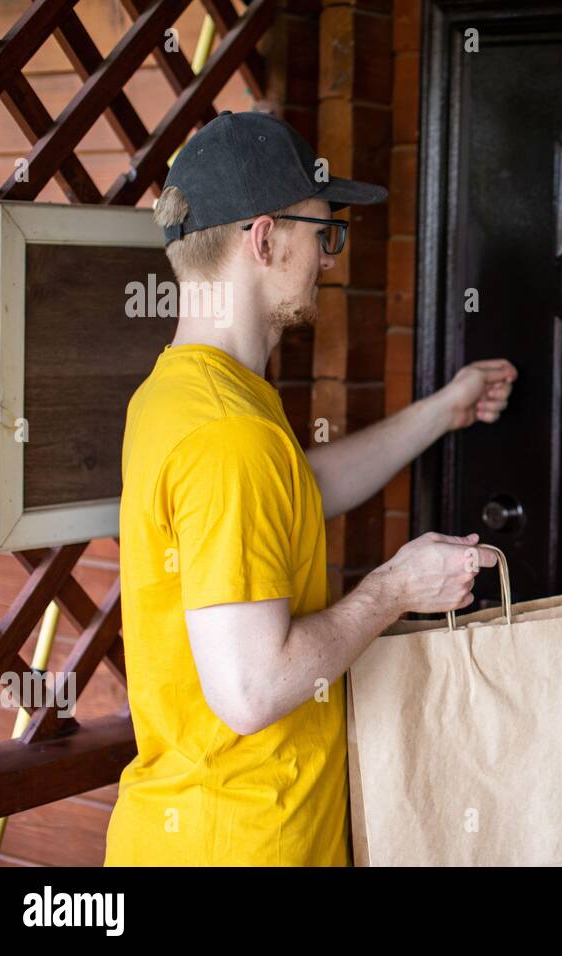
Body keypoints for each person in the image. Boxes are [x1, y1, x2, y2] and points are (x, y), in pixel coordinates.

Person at [104, 110, 516, 866]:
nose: (329, 257)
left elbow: (301, 489)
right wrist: (395, 588)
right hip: (241, 844)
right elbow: (253, 688)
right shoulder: (231, 433)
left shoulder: (183, 395)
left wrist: (442, 411)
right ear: (264, 238)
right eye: (323, 233)